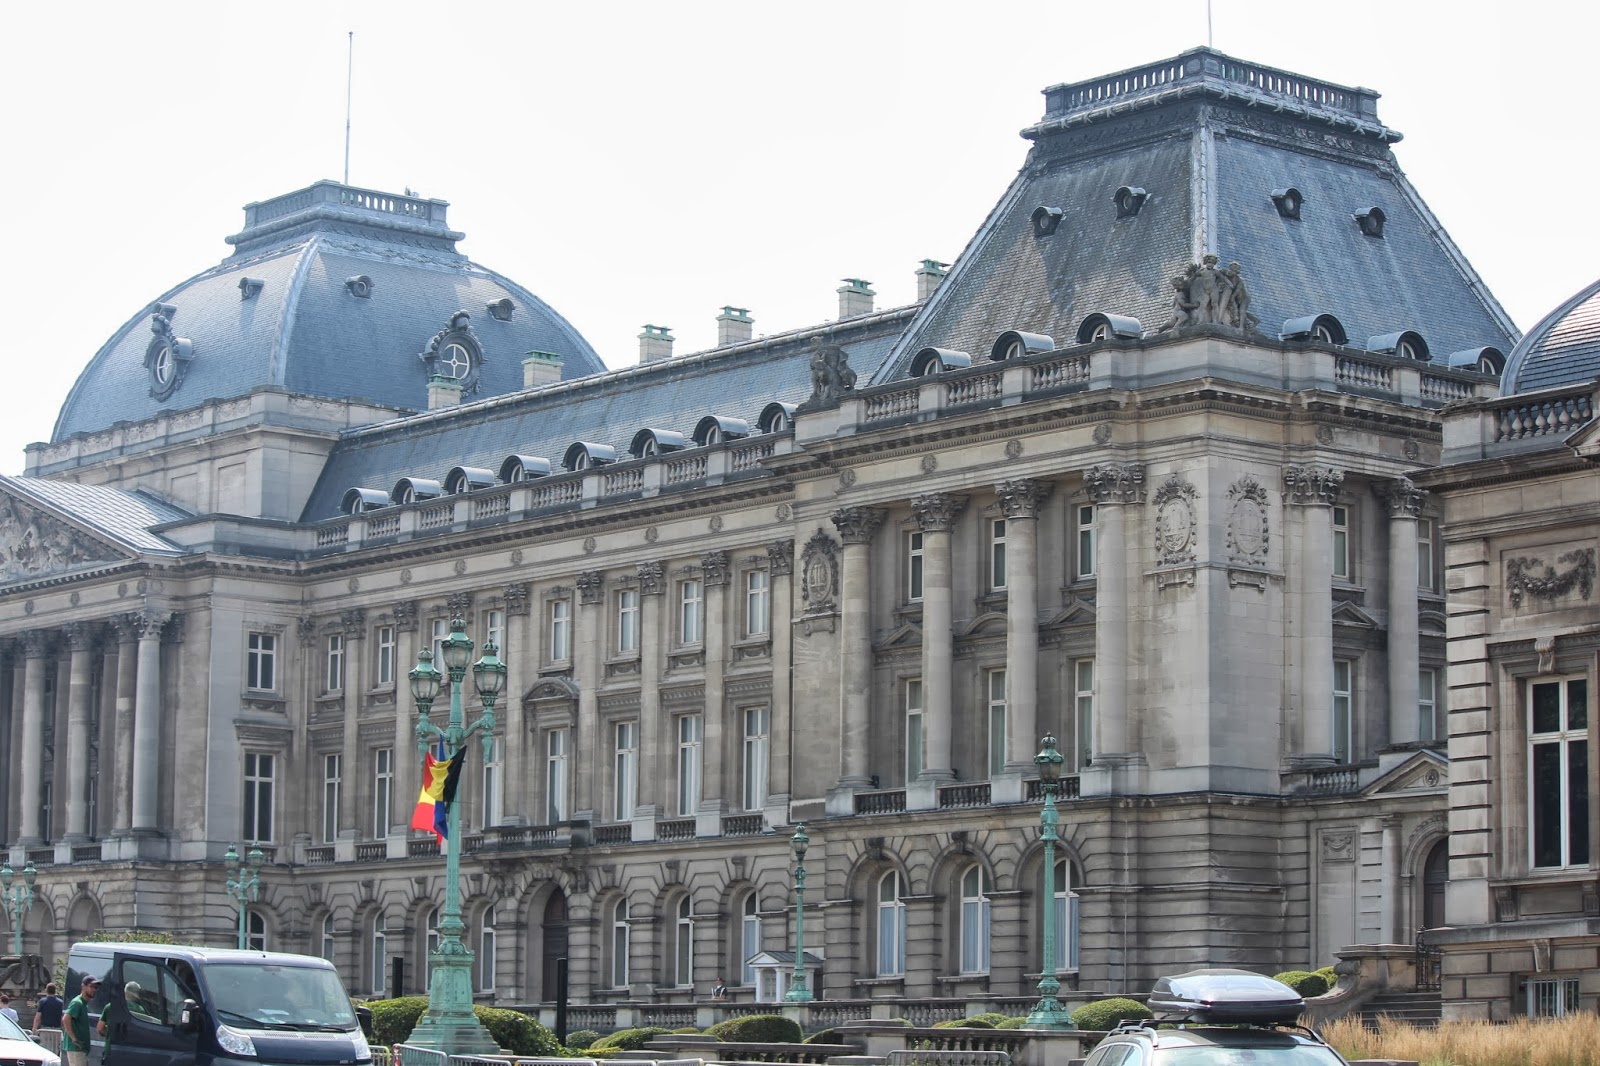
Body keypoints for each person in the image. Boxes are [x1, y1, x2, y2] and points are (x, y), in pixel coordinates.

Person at [63, 976, 98, 1066]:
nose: (94, 989)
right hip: (76, 1049)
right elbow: (66, 1018)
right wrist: (74, 1039)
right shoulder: (77, 1002)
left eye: (95, 987)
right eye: (91, 986)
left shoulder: (83, 1004)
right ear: (83, 987)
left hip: (81, 1050)